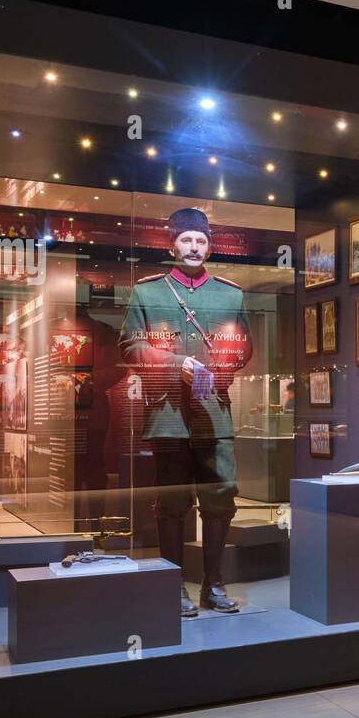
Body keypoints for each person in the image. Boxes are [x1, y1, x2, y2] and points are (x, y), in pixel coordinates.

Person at [119, 207, 252, 617]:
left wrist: (227, 362)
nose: (194, 247)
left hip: (215, 413)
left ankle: (213, 584)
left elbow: (244, 347)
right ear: (172, 243)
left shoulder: (232, 294)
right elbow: (130, 345)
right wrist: (176, 362)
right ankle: (173, 585)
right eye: (187, 240)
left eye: (201, 241)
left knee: (220, 499)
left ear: (209, 246)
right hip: (168, 415)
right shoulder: (148, 292)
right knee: (173, 503)